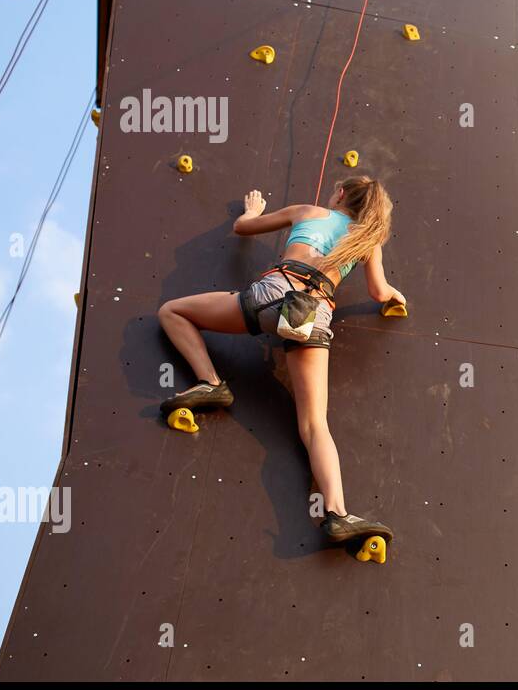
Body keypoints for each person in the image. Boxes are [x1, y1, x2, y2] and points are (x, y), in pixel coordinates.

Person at [157, 176, 406, 545]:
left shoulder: (307, 211)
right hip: (312, 313)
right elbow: (378, 291)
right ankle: (337, 513)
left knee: (173, 312)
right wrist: (396, 298)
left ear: (339, 194)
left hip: (274, 293)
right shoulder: (367, 242)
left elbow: (244, 228)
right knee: (314, 424)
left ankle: (211, 383)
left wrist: (252, 212)